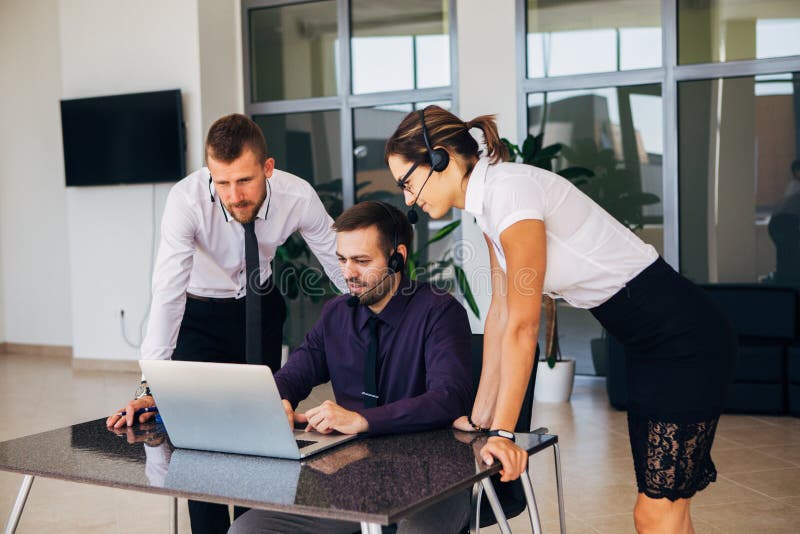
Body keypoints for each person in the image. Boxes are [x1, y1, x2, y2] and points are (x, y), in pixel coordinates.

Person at [383, 105, 737, 534]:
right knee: (667, 509)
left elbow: (523, 326)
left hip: (682, 339)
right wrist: (479, 421)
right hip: (647, 345)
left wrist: (505, 433)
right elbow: (500, 315)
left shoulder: (509, 195)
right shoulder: (491, 205)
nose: (407, 198)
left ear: (439, 157)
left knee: (655, 511)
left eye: (407, 182)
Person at [106, 113, 346, 534]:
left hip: (262, 310)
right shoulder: (187, 200)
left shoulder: (298, 196)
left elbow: (341, 266)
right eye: (222, 182)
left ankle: (255, 528)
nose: (234, 195)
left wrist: (388, 313)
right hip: (200, 316)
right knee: (201, 446)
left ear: (267, 169)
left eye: (245, 181)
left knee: (262, 433)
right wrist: (149, 386)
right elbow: (167, 294)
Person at [229, 201, 474, 534]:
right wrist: (280, 400)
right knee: (248, 530)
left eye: (361, 261)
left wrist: (362, 420)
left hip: (433, 477)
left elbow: (448, 398)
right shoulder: (337, 313)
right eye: (342, 259)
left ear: (397, 256)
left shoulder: (440, 312)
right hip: (350, 478)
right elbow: (293, 375)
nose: (348, 273)